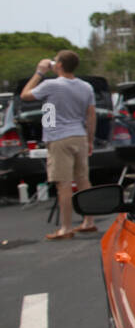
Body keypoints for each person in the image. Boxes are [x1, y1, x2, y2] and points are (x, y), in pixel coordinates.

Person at [21, 50, 97, 239]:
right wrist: (90, 139)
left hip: (58, 137)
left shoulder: (51, 85)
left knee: (63, 184)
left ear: (60, 65)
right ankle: (89, 220)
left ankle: (66, 227)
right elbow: (91, 114)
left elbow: (25, 95)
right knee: (83, 180)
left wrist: (39, 72)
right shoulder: (86, 87)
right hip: (79, 135)